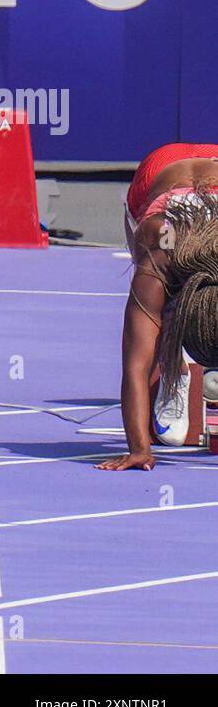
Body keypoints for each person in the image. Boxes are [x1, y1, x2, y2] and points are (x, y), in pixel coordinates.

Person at [98, 143, 218, 470]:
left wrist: (139, 450)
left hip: (205, 162)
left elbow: (134, 368)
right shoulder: (155, 257)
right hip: (159, 172)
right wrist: (138, 446)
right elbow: (137, 366)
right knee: (148, 324)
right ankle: (174, 369)